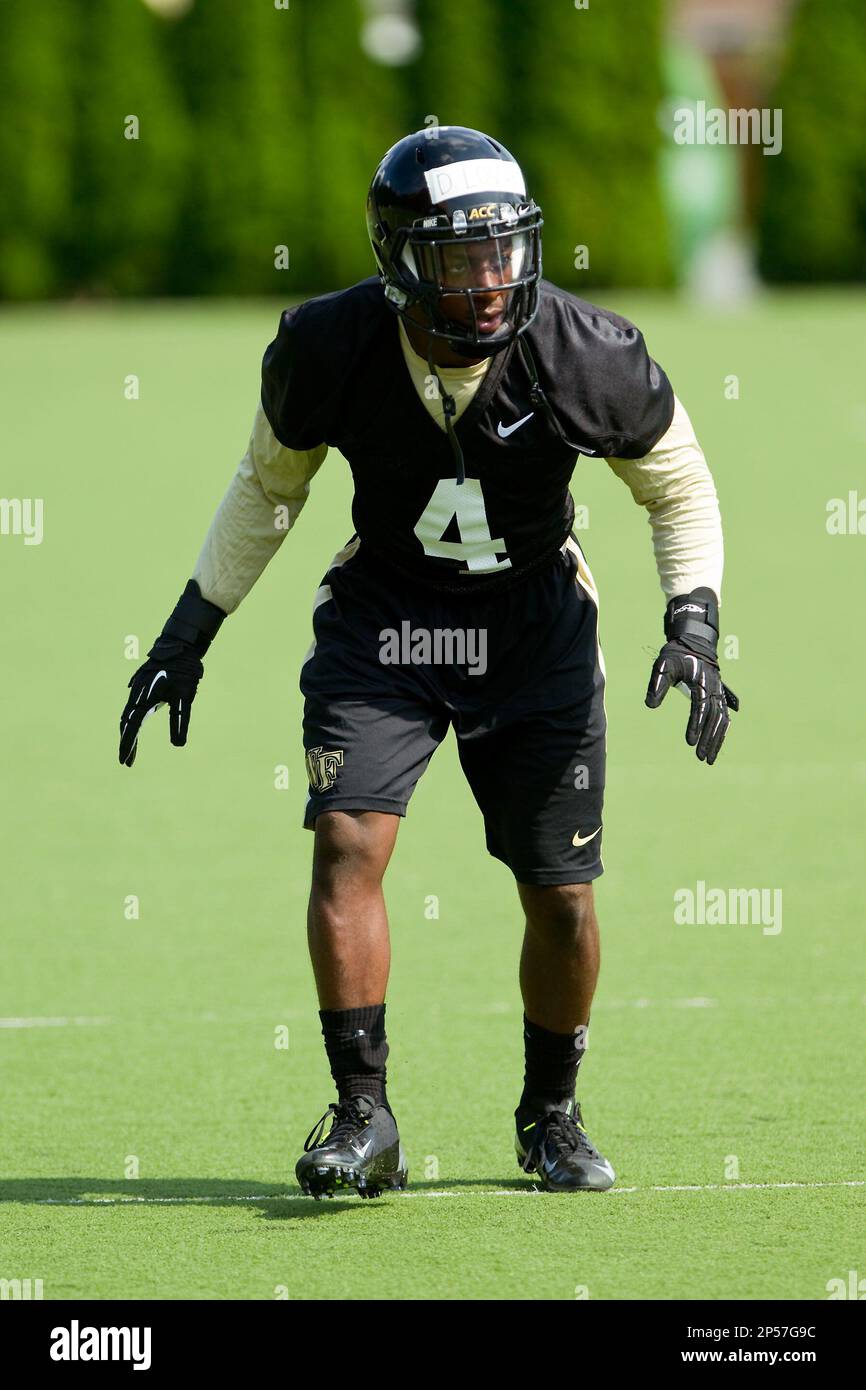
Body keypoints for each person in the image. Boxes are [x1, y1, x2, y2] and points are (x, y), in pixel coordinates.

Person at [119, 126, 738, 1198]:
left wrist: (691, 622)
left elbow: (675, 483)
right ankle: (364, 1115)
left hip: (534, 627)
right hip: (387, 623)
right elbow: (270, 488)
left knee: (561, 899)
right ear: (400, 258)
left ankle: (549, 1115)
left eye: (502, 249)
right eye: (460, 255)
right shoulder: (329, 344)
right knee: (348, 841)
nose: (490, 278)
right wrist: (188, 631)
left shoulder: (585, 352)